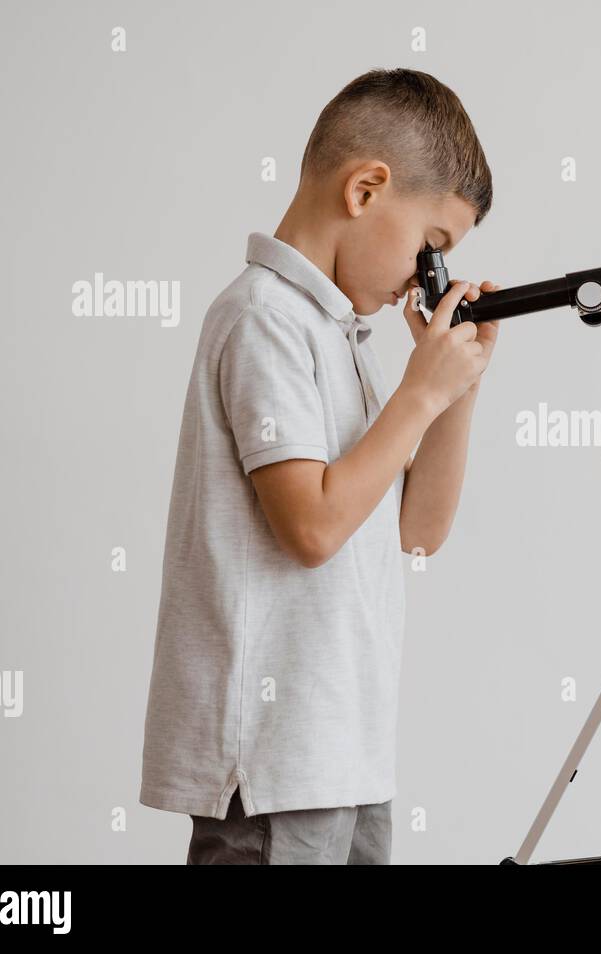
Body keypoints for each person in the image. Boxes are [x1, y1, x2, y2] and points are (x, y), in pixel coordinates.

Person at [137, 68, 499, 864]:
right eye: (430, 246)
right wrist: (414, 394)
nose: (424, 275)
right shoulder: (264, 318)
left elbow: (416, 532)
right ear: (367, 189)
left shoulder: (342, 337)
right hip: (272, 768)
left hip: (347, 757)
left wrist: (453, 390)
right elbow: (310, 526)